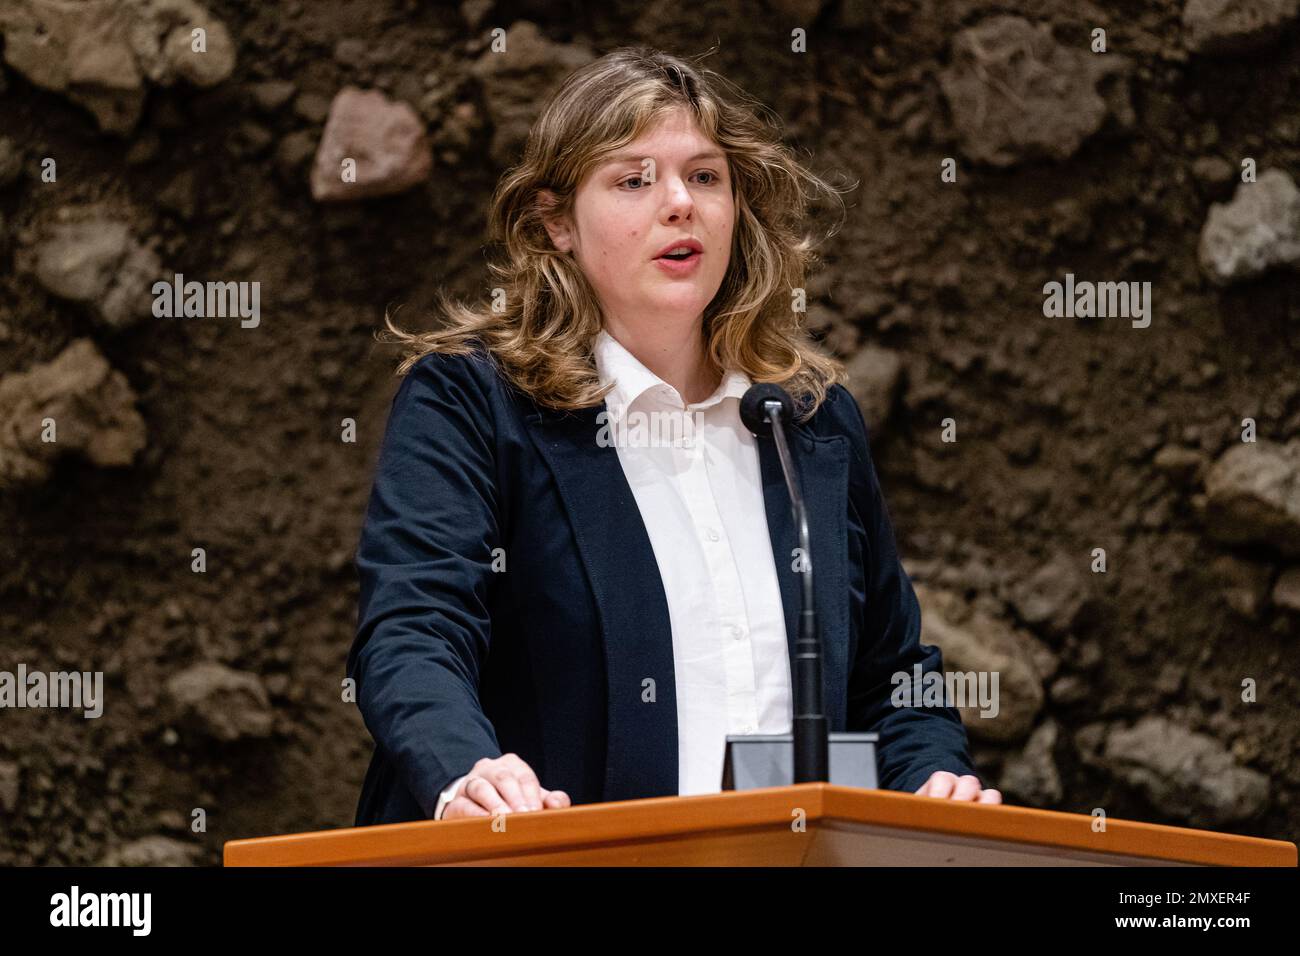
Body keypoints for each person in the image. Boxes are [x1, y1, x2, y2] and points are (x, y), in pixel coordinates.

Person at [347, 46, 1001, 825]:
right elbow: (413, 630)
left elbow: (892, 674)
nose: (679, 203)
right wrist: (467, 770)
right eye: (633, 179)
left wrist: (931, 776)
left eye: (705, 177)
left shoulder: (809, 423)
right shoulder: (473, 402)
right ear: (555, 222)